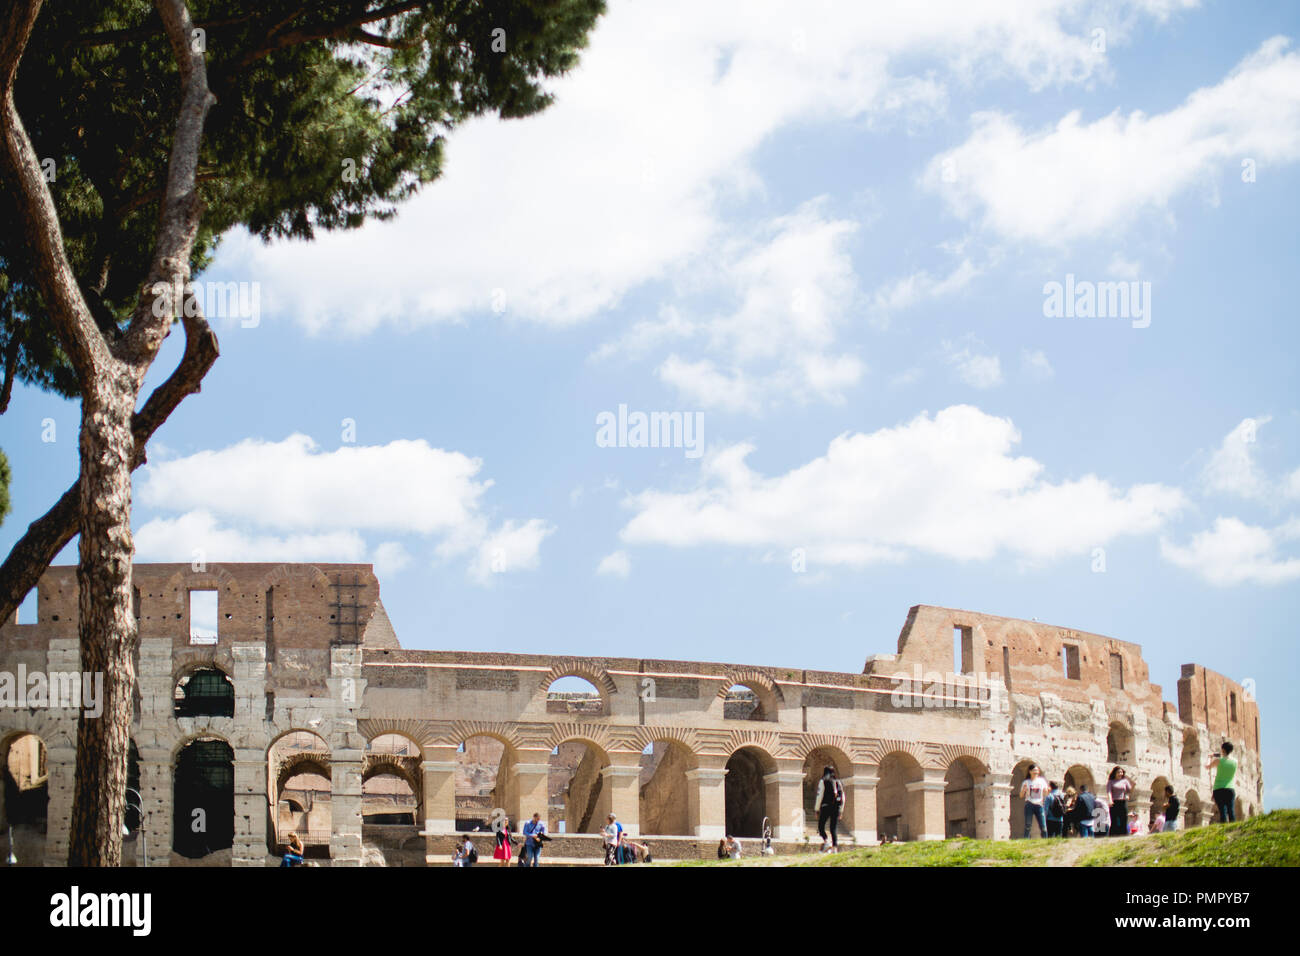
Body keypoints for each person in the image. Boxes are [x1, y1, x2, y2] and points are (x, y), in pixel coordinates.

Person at [813, 765, 845, 852]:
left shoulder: (823, 781)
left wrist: (816, 809)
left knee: (821, 826)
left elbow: (819, 795)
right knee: (833, 828)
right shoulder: (839, 782)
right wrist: (841, 810)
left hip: (826, 806)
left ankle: (826, 842)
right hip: (836, 807)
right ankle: (835, 848)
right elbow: (843, 797)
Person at [1207, 741, 1237, 824]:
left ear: (1223, 749)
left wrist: (1209, 758)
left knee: (1222, 811)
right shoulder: (1235, 761)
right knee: (1231, 810)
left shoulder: (1218, 761)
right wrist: (1215, 755)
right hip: (1230, 788)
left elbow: (1207, 766)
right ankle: (1233, 827)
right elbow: (1225, 757)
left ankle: (1224, 827)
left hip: (1218, 788)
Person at [1019, 764, 1049, 838]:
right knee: (1028, 825)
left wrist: (1046, 790)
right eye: (1034, 770)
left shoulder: (1042, 781)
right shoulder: (1026, 782)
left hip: (1039, 804)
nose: (1036, 772)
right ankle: (1026, 840)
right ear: (1030, 771)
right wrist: (1024, 790)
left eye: (1037, 770)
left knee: (1043, 826)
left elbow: (1046, 793)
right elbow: (1021, 796)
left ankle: (1045, 840)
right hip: (1029, 804)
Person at [1107, 766, 1133, 838]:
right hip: (1114, 802)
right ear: (1115, 773)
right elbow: (1109, 791)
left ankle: (1124, 835)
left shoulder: (1125, 781)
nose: (1120, 774)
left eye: (1121, 772)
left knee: (1124, 818)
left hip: (1123, 801)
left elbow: (1129, 790)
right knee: (1114, 819)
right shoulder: (1111, 782)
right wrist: (1110, 800)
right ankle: (1114, 835)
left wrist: (1127, 795)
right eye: (1118, 772)